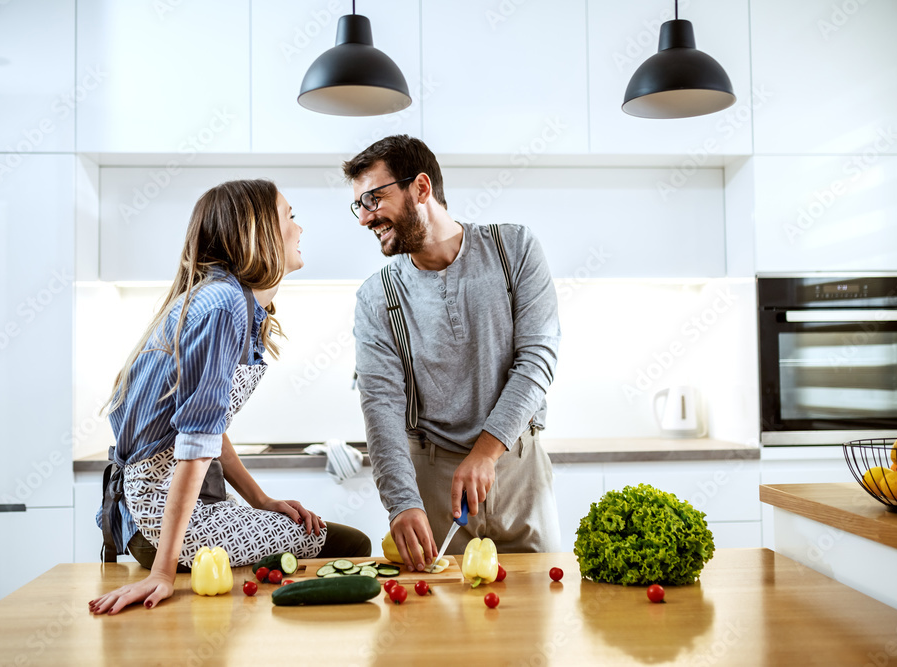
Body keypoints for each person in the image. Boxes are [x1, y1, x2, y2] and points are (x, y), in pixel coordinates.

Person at [91, 179, 370, 615]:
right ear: (259, 232)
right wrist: (162, 573)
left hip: (158, 512)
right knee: (351, 544)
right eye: (290, 216)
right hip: (157, 517)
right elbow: (196, 444)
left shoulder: (225, 299)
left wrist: (262, 501)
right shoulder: (224, 305)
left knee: (327, 542)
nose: (300, 229)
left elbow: (207, 430)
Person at [346, 135, 561, 571]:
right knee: (441, 628)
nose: (365, 217)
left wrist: (486, 451)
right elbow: (381, 405)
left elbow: (537, 358)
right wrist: (402, 502)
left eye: (373, 198)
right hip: (433, 479)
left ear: (421, 188)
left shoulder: (514, 249)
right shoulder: (377, 296)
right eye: (359, 205)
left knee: (539, 613)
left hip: (519, 469)